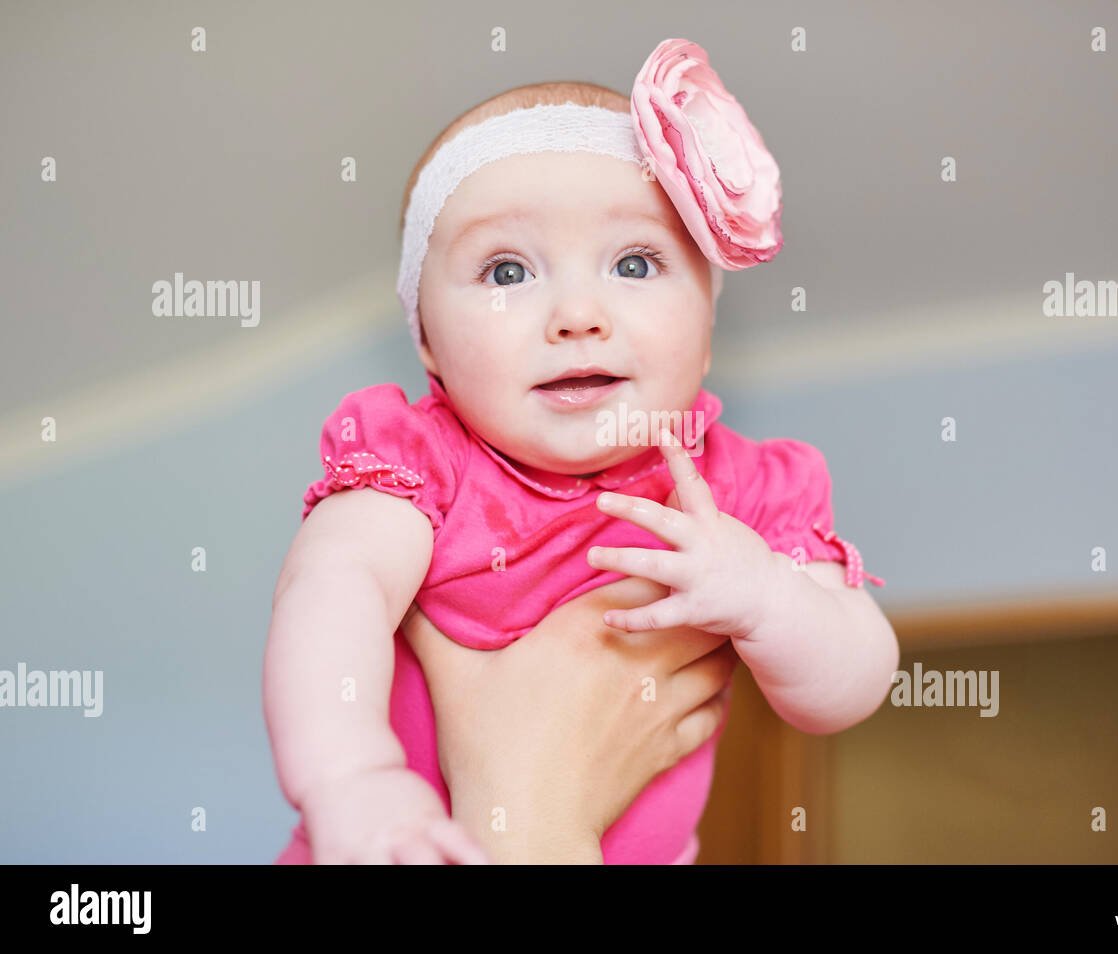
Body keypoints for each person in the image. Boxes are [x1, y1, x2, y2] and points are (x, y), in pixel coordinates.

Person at [264, 37, 895, 864]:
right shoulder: (421, 462)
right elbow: (329, 589)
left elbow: (851, 684)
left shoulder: (741, 489)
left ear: (706, 333)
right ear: (428, 346)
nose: (576, 314)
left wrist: (769, 596)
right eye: (506, 271)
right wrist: (352, 778)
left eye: (634, 262)